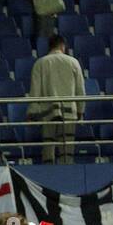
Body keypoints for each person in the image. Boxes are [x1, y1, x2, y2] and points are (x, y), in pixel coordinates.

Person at [28, 35, 87, 164]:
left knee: (48, 147)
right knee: (67, 150)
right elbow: (80, 90)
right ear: (62, 46)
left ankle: (49, 173)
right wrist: (80, 110)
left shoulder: (40, 63)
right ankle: (67, 172)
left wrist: (31, 112)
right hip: (69, 111)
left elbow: (35, 91)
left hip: (47, 111)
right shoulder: (73, 62)